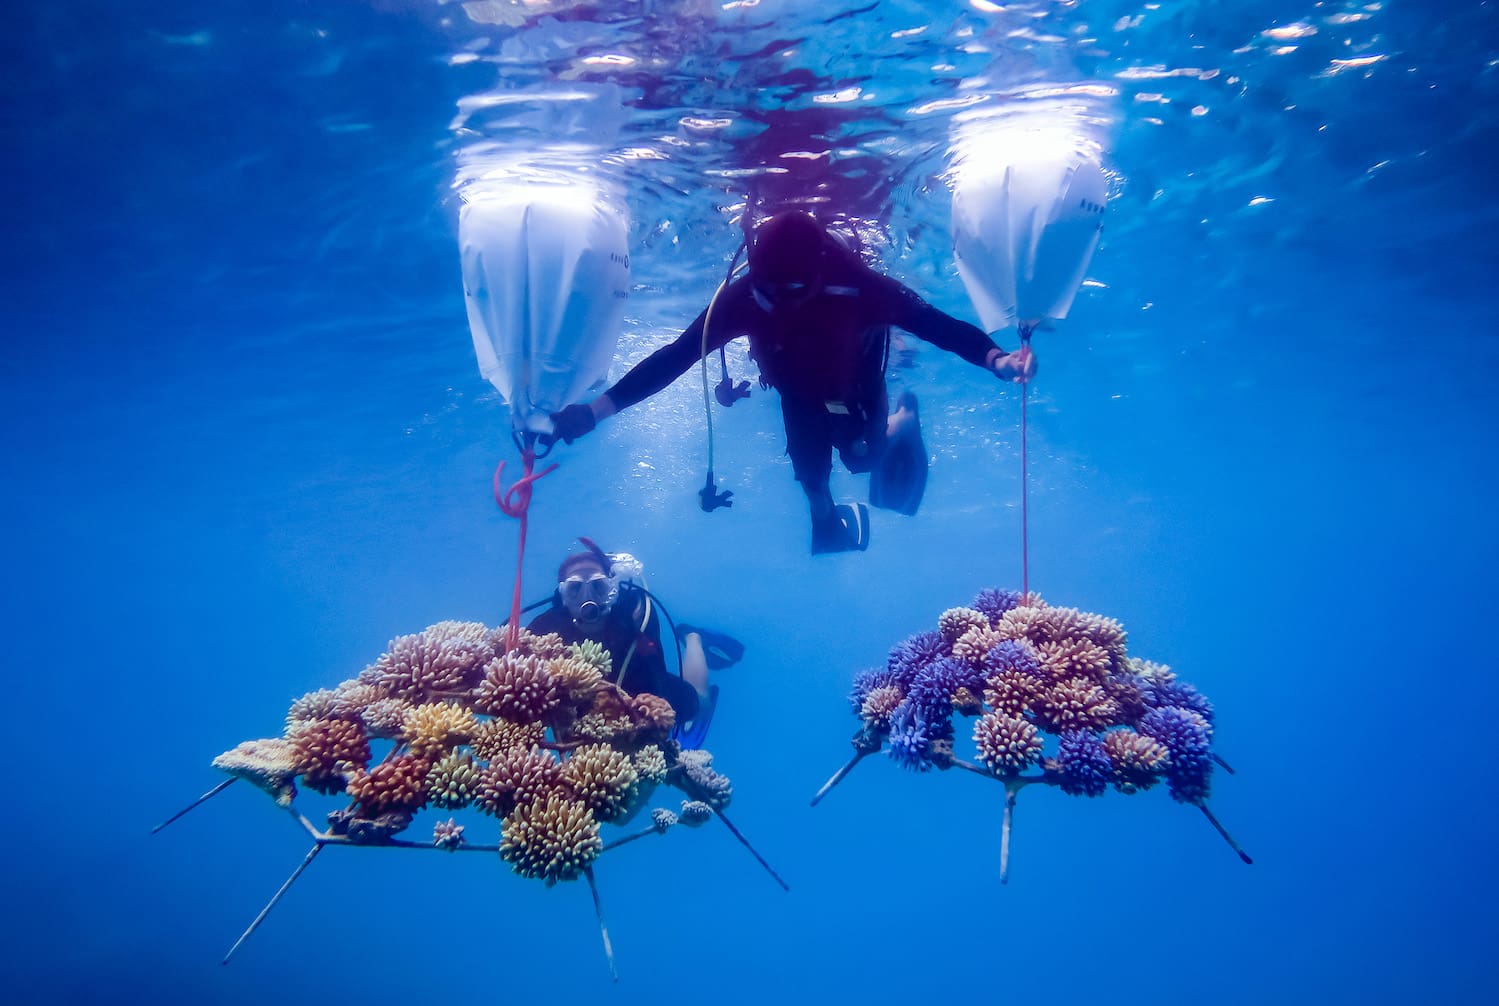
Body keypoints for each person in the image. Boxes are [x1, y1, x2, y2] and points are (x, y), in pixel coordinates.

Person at [546, 210, 1036, 554]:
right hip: (797, 393)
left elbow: (939, 326)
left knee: (863, 460)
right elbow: (674, 358)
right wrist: (593, 412)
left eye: (790, 291)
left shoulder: (862, 287)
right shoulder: (742, 298)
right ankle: (825, 519)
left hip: (857, 385)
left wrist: (997, 359)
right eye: (768, 290)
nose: (778, 301)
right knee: (811, 478)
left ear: (821, 270)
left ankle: (905, 416)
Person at [525, 540, 743, 746]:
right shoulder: (544, 628)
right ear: (562, 596)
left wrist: (644, 723)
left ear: (612, 590)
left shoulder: (637, 614)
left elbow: (657, 682)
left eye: (598, 586)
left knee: (701, 705)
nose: (587, 597)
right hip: (586, 708)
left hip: (642, 682)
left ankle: (694, 638)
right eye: (574, 589)